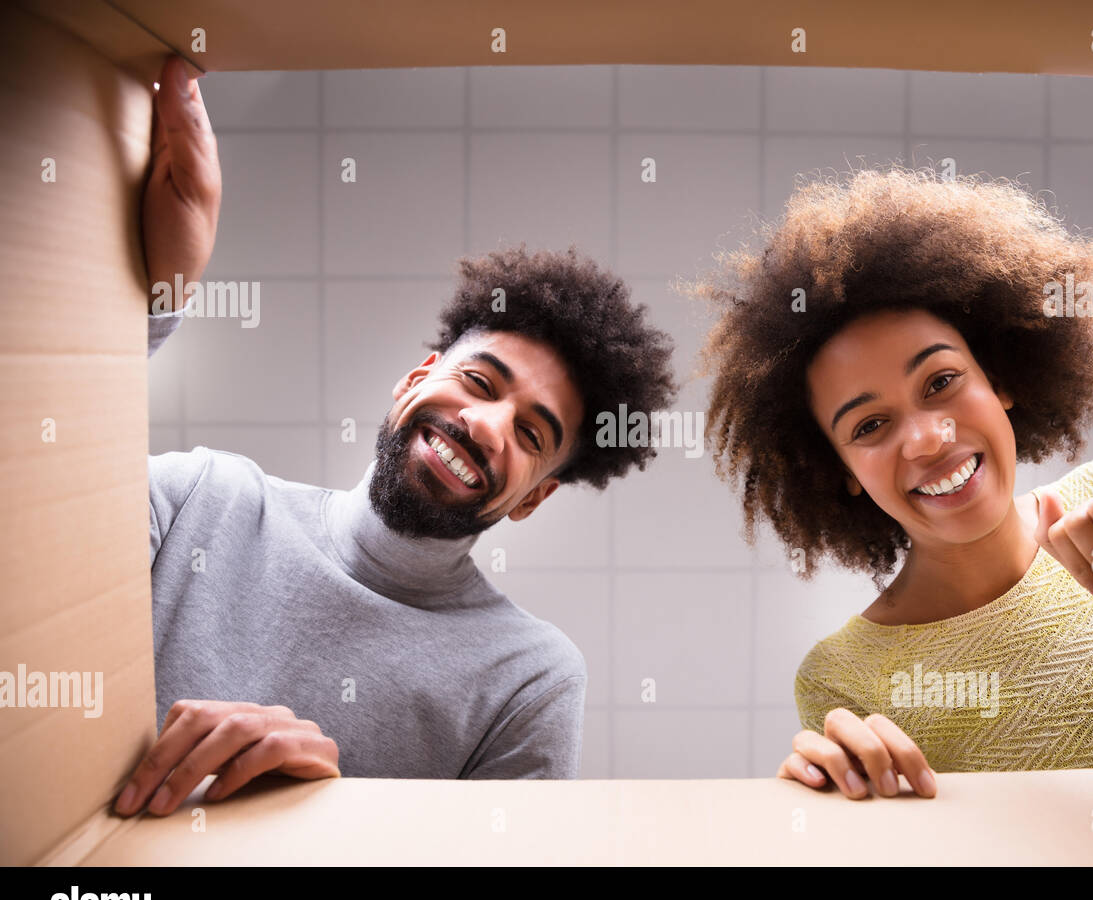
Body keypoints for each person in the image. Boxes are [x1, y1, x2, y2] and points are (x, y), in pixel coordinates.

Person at [116, 57, 676, 817]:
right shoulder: (198, 500)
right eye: (480, 382)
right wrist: (153, 303)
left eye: (532, 433)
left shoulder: (527, 676)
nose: (485, 424)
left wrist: (330, 820)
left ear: (534, 498)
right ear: (415, 380)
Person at [681, 163, 1093, 800]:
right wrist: (836, 822)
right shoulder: (842, 681)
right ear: (842, 472)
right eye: (870, 425)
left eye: (941, 382)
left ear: (1000, 381)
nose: (926, 439)